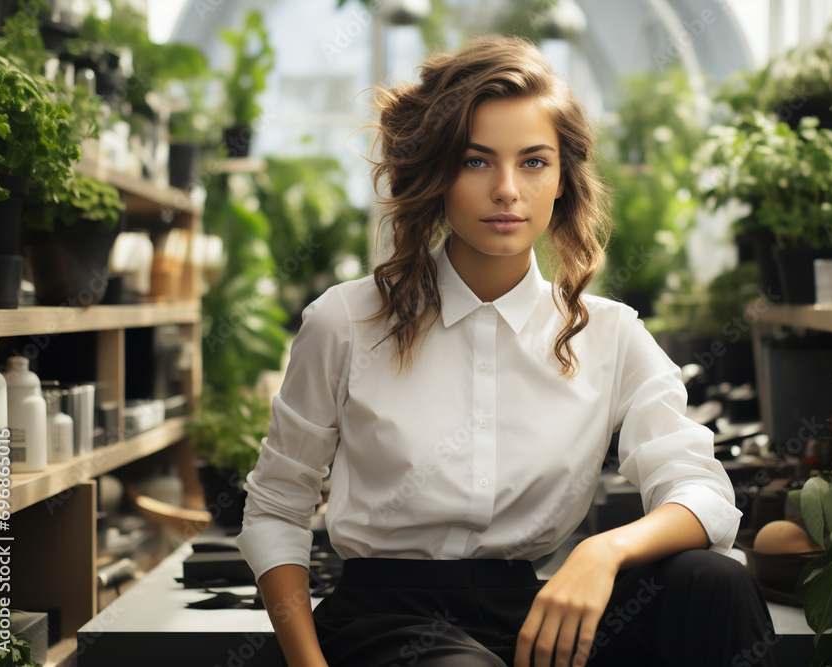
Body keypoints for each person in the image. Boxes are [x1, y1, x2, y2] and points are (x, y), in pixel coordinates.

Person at [236, 34, 776, 667]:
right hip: (385, 620)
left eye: (533, 162)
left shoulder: (609, 333)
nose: (506, 190)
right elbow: (275, 508)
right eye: (475, 161)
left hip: (529, 614)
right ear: (439, 174)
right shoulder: (347, 321)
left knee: (714, 584)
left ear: (563, 181)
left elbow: (705, 495)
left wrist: (602, 552)